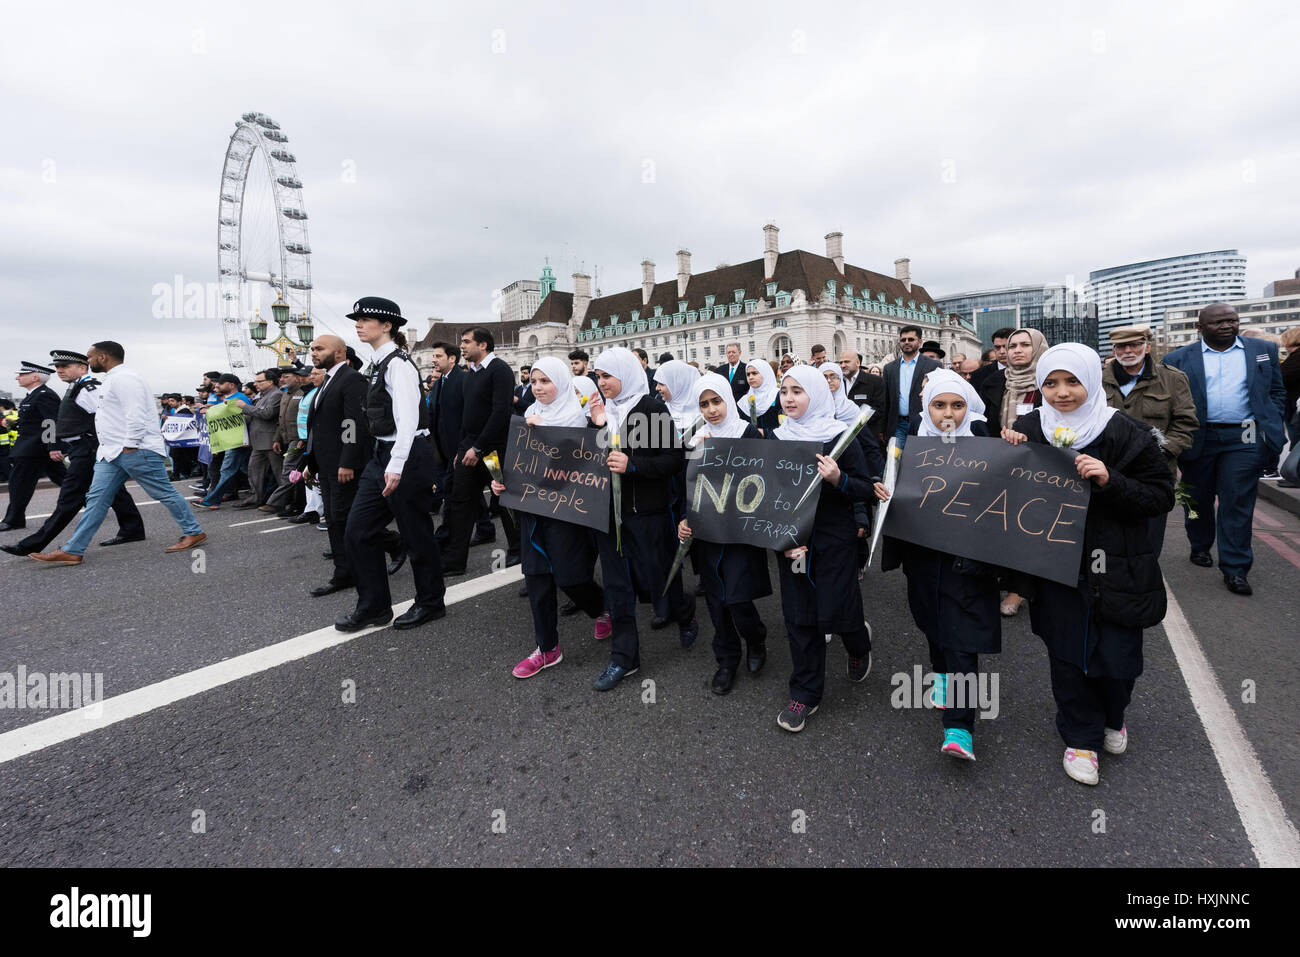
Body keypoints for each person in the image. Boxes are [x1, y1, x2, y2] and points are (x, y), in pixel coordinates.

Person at [1002, 343, 1173, 786]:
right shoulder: (1029, 427)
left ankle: (1114, 715)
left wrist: (1110, 480)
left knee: (1118, 656)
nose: (1061, 393)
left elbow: (1160, 496)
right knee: (1068, 654)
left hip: (1116, 565)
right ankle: (1079, 736)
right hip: (1056, 565)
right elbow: (1006, 496)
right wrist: (1008, 452)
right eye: (1051, 383)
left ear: (1092, 382)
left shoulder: (1125, 433)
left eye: (1072, 381)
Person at [880, 370, 998, 761]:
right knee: (931, 619)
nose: (948, 413)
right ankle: (942, 675)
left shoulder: (984, 442)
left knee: (962, 635)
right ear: (926, 409)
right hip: (923, 555)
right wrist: (885, 489)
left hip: (968, 559)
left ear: (970, 408)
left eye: (958, 405)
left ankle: (960, 727)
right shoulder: (911, 446)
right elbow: (896, 495)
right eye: (939, 405)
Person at [767, 365, 876, 733]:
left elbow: (866, 487)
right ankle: (805, 692)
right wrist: (781, 538)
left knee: (839, 608)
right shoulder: (776, 438)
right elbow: (764, 494)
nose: (789, 398)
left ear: (815, 393)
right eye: (784, 391)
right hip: (793, 543)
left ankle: (858, 644)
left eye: (798, 390)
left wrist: (838, 478)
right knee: (800, 615)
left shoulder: (841, 436)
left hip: (833, 540)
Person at [30, 341, 206, 565]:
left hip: (134, 449)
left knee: (163, 492)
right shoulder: (112, 379)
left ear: (102, 357)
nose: (88, 361)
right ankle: (73, 550)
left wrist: (131, 443)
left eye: (90, 357)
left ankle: (194, 531)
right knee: (96, 500)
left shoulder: (125, 378)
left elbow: (136, 413)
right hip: (111, 453)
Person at [586, 347, 698, 691]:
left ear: (627, 374)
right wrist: (596, 427)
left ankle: (684, 609)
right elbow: (584, 459)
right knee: (618, 589)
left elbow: (672, 460)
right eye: (598, 376)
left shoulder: (649, 409)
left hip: (645, 514)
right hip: (609, 516)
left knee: (657, 582)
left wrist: (632, 465)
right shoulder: (598, 412)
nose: (602, 383)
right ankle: (624, 658)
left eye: (608, 376)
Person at [489, 357, 606, 679]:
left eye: (545, 381)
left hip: (567, 512)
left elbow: (590, 466)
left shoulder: (580, 419)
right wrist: (501, 481)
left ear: (562, 382)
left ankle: (602, 607)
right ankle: (547, 647)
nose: (538, 388)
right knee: (537, 577)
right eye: (535, 382)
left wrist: (553, 435)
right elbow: (520, 463)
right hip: (533, 509)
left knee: (571, 578)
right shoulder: (528, 416)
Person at [335, 297, 444, 631]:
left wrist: (396, 464)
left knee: (416, 533)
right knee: (357, 531)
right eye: (357, 319)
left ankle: (430, 602)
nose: (358, 323)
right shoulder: (377, 362)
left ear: (387, 326)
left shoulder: (398, 364)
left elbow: (408, 418)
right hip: (383, 454)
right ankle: (374, 607)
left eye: (366, 318)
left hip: (406, 454)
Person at [1163, 303, 1286, 595]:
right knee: (1196, 499)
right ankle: (1199, 544)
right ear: (1200, 327)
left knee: (1236, 501)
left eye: (1232, 320)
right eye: (1218, 322)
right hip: (1199, 437)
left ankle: (1236, 568)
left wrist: (1271, 418)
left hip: (1245, 437)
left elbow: (1277, 391)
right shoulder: (1177, 358)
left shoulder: (1262, 350)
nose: (1227, 326)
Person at [677, 373, 772, 694]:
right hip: (708, 534)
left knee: (739, 598)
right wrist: (683, 518)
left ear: (728, 400)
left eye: (716, 401)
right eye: (704, 404)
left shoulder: (747, 432)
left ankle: (755, 637)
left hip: (740, 533)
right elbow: (686, 486)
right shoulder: (696, 437)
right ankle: (727, 659)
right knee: (717, 602)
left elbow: (764, 478)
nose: (711, 410)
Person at [2, 350, 146, 556]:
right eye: (58, 367)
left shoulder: (84, 389)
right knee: (112, 491)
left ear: (82, 368)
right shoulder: (73, 388)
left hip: (85, 449)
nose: (59, 370)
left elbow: (103, 418)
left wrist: (54, 446)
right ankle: (132, 529)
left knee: (69, 498)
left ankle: (32, 544)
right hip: (82, 449)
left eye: (65, 367)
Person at [305, 335, 403, 596]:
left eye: (319, 348)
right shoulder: (326, 381)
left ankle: (393, 542)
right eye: (312, 348)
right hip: (325, 465)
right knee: (335, 520)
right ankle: (344, 571)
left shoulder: (352, 379)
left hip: (344, 465)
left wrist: (347, 461)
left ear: (338, 353)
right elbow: (318, 426)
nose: (313, 353)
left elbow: (352, 424)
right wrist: (310, 462)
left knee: (346, 519)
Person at [1101, 325, 1198, 558]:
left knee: (1149, 540)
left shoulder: (1173, 379)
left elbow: (1185, 423)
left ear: (1147, 347)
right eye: (1121, 346)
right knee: (1109, 535)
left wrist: (1162, 452)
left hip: (1153, 473)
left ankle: (1145, 584)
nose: (1127, 351)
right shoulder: (1096, 378)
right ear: (1113, 349)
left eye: (1134, 345)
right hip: (1109, 469)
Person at [440, 326, 520, 575]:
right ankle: (454, 562)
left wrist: (478, 447)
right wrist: (461, 448)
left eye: (466, 342)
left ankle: (518, 551)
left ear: (483, 345)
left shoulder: (500, 371)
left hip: (494, 451)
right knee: (460, 500)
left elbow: (500, 414)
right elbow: (468, 416)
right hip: (469, 448)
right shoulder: (470, 374)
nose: (462, 346)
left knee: (506, 502)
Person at [0, 361, 66, 531]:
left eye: (21, 375)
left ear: (35, 377)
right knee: (66, 480)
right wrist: (14, 424)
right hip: (36, 448)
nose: (17, 378)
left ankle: (14, 519)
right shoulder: (33, 395)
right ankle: (95, 502)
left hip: (34, 449)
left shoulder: (44, 394)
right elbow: (34, 421)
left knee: (19, 483)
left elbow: (50, 422)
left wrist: (53, 447)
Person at [195, 374, 253, 509]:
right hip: (233, 441)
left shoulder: (240, 398)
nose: (218, 387)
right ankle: (268, 491)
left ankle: (212, 500)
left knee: (227, 470)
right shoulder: (227, 400)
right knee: (247, 469)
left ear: (231, 385)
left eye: (221, 384)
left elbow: (245, 417)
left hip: (239, 441)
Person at [232, 368, 283, 509]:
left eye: (259, 381)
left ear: (270, 382)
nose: (255, 384)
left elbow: (268, 414)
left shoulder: (276, 395)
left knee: (280, 474)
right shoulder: (261, 396)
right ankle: (256, 498)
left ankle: (281, 502)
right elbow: (254, 415)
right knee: (254, 471)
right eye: (255, 381)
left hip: (271, 441)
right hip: (258, 442)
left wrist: (245, 407)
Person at [882, 325, 940, 448]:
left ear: (920, 342)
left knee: (920, 460)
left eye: (911, 339)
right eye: (903, 340)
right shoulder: (889, 368)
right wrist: (884, 428)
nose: (906, 342)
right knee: (896, 462)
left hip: (924, 423)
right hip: (897, 425)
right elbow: (886, 400)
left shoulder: (933, 365)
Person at [265, 364, 311, 516]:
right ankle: (295, 503)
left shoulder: (303, 393)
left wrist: (303, 438)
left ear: (297, 378)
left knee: (288, 469)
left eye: (286, 376)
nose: (282, 379)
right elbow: (281, 419)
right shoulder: (285, 393)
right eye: (282, 377)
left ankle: (276, 502)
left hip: (298, 440)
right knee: (295, 473)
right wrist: (277, 439)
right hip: (287, 439)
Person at [740, 359, 781, 434]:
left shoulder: (777, 395)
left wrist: (766, 433)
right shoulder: (744, 401)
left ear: (765, 373)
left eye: (754, 373)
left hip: (776, 442)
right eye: (748, 374)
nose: (750, 377)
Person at [970, 328, 1014, 393]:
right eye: (997, 347)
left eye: (1006, 346)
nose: (1002, 351)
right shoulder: (978, 375)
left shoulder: (1030, 371)